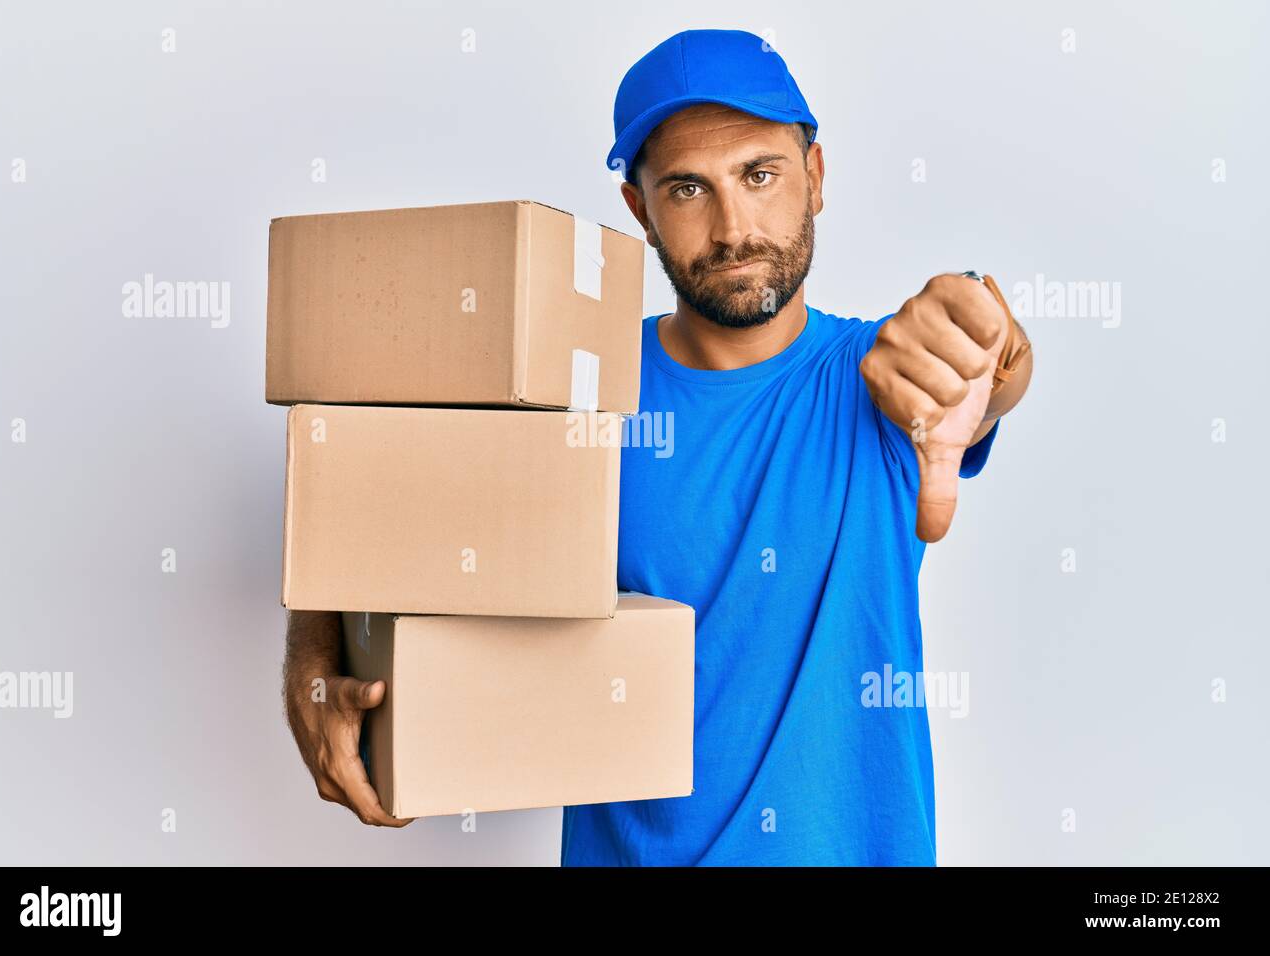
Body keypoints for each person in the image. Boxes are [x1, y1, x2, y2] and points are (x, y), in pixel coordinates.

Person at [283, 28, 1034, 863]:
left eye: (760, 174)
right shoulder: (570, 388)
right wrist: (315, 659)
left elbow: (985, 367)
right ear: (639, 210)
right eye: (686, 188)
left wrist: (987, 342)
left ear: (814, 177)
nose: (733, 227)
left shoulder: (885, 384)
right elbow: (378, 509)